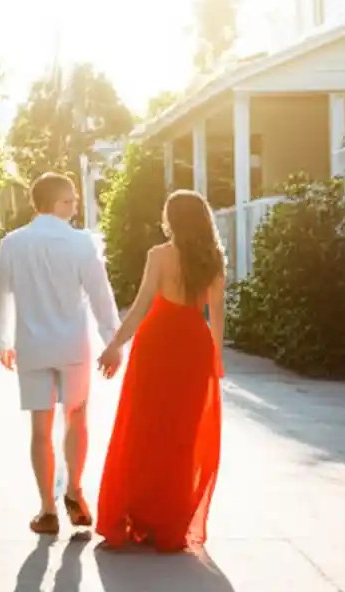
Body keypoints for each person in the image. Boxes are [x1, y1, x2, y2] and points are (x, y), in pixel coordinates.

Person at [95, 189, 226, 553]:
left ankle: (130, 514)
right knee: (180, 436)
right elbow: (217, 313)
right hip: (194, 348)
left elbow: (139, 308)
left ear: (172, 219)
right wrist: (216, 357)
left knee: (141, 429)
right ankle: (166, 523)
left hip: (156, 346)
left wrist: (114, 345)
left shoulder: (159, 256)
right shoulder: (212, 258)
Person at [0, 172, 121, 535]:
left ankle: (47, 508)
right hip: (72, 346)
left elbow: (2, 294)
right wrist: (112, 340)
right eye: (71, 199)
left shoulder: (13, 243)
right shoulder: (82, 243)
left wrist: (3, 340)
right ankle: (76, 492)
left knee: (39, 427)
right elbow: (101, 295)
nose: (76, 204)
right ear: (53, 203)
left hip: (31, 346)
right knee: (76, 416)